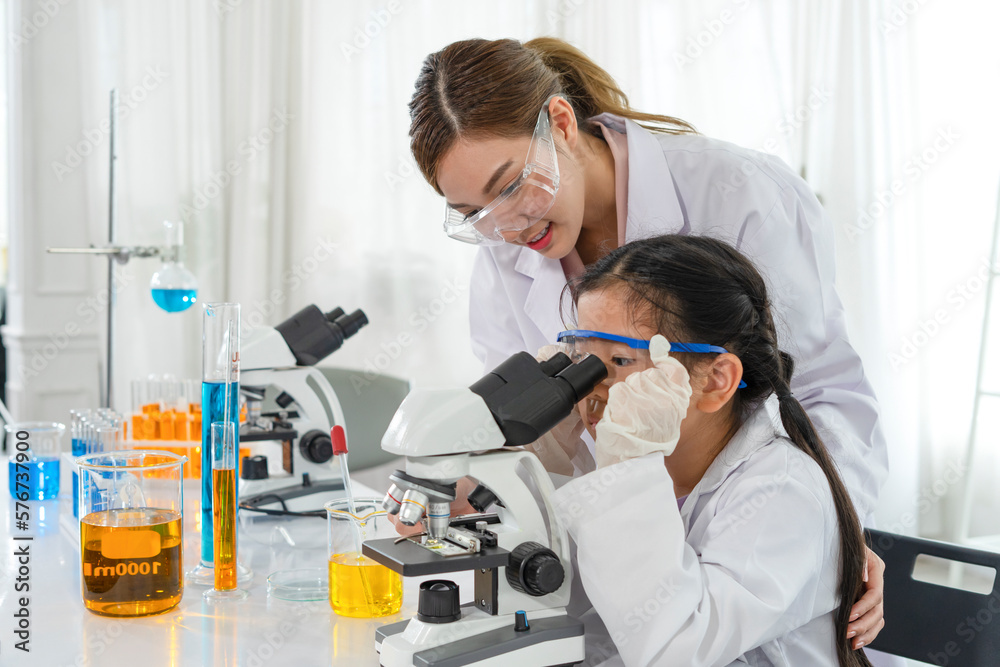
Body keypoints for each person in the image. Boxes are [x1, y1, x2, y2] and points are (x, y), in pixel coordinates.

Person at [408, 37, 886, 654]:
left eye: (511, 187)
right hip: (624, 531)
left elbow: (820, 385)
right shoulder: (506, 245)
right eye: (473, 212)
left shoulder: (740, 190)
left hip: (742, 512)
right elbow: (521, 415)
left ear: (559, 122)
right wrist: (483, 488)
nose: (508, 227)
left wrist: (829, 529)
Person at [551, 233, 873, 666]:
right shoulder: (643, 469)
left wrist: (624, 475)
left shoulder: (779, 490)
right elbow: (573, 608)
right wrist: (541, 465)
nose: (590, 386)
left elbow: (674, 650)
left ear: (716, 380)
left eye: (621, 361)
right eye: (581, 357)